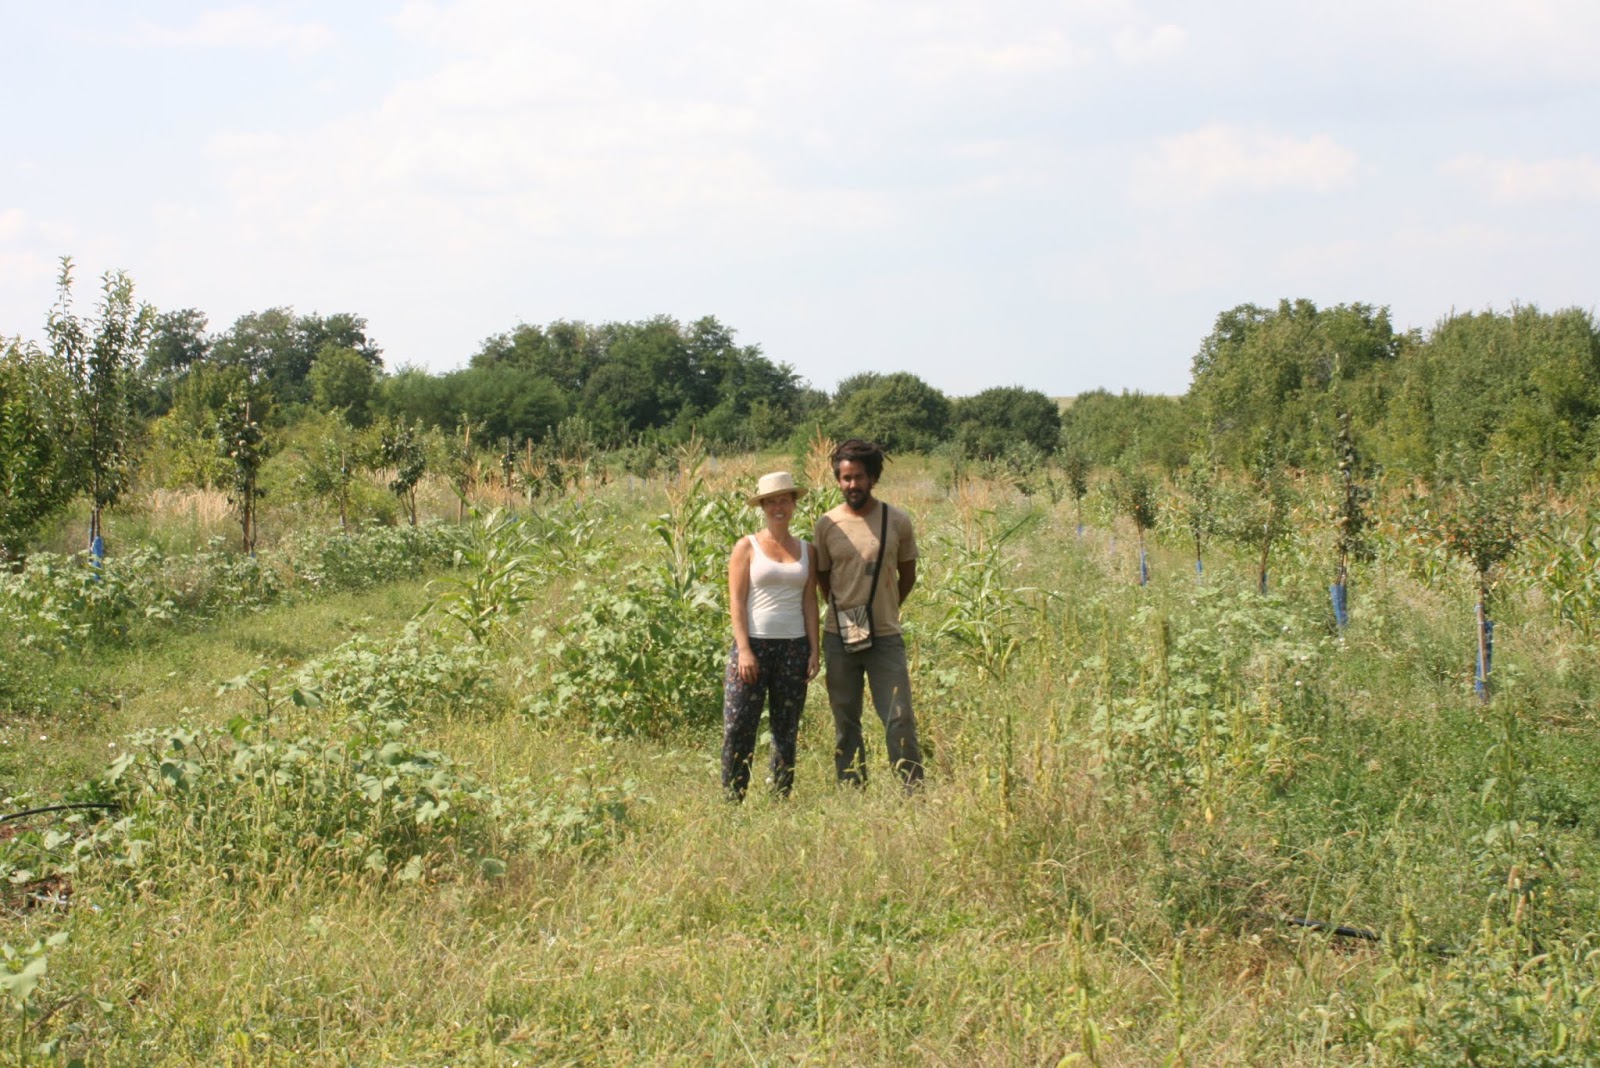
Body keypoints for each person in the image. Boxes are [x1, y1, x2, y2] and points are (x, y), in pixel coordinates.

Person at [814, 439, 925, 788]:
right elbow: (822, 576)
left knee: (899, 716)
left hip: (886, 637)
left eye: (859, 477)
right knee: (845, 718)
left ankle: (912, 789)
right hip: (839, 636)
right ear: (838, 480)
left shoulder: (897, 520)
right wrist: (846, 609)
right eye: (845, 478)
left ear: (873, 478)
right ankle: (851, 785)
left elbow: (908, 574)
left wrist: (886, 607)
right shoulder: (827, 524)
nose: (852, 485)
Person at [722, 471, 820, 800]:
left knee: (786, 726)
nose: (779, 507)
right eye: (772, 501)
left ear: (794, 505)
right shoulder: (746, 547)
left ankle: (780, 794)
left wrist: (814, 650)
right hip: (754, 645)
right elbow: (735, 602)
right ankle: (733, 796)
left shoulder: (807, 550)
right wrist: (744, 650)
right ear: (763, 506)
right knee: (739, 725)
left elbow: (809, 602)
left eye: (784, 500)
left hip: (794, 647)